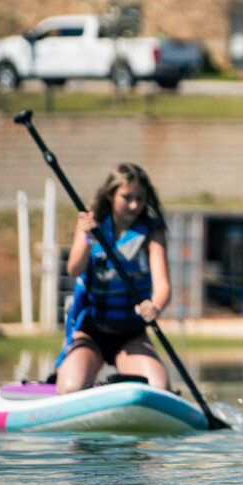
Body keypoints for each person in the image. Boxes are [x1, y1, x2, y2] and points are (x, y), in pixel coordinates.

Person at [56, 162, 172, 394]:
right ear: (110, 194)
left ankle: (121, 386)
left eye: (140, 198)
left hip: (130, 333)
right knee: (71, 388)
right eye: (127, 197)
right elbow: (74, 269)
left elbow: (163, 285)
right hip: (90, 331)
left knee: (159, 387)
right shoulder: (91, 221)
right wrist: (87, 237)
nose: (134, 204)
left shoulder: (150, 231)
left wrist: (155, 306)